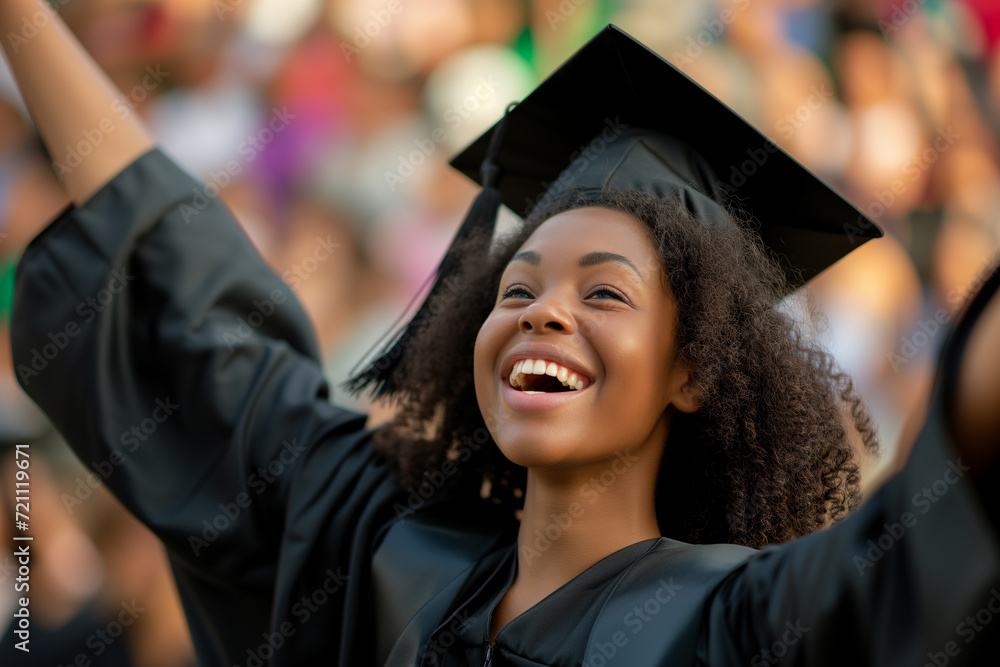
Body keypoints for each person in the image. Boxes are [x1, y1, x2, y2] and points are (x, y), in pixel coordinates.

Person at [3, 3, 999, 665]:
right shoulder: (380, 551)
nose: (542, 310)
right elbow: (189, 290)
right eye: (515, 289)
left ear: (691, 371)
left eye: (604, 294)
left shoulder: (730, 625)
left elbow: (929, 532)